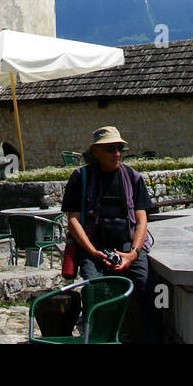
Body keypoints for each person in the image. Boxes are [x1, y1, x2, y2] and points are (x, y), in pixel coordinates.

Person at [62, 125, 157, 342]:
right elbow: (73, 220)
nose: (116, 154)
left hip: (127, 245)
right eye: (110, 149)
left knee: (146, 286)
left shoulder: (133, 178)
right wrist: (93, 252)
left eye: (119, 149)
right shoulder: (80, 177)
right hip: (94, 246)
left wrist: (133, 254)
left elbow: (142, 220)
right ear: (96, 152)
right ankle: (96, 337)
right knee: (93, 289)